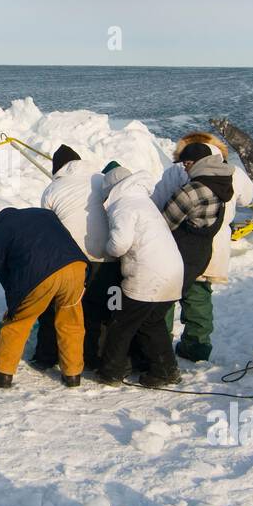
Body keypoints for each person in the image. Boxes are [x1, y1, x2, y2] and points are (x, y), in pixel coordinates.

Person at [153, 137, 246, 362]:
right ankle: (198, 345)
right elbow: (248, 196)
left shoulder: (182, 179)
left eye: (187, 162)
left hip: (184, 245)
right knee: (199, 297)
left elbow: (161, 210)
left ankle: (161, 343)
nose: (185, 166)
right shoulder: (230, 176)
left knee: (166, 296)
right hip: (214, 244)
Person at [0, 200, 88, 388]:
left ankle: (2, 372)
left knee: (20, 321)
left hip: (41, 274)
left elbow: (5, 276)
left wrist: (15, 306)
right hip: (76, 265)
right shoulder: (42, 214)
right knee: (71, 322)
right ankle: (73, 374)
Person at [98, 164, 185, 386]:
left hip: (149, 275)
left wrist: (106, 249)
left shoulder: (123, 205)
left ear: (111, 190)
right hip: (173, 272)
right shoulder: (144, 202)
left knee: (121, 323)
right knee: (152, 323)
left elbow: (120, 244)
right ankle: (165, 370)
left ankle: (111, 372)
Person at [35, 144, 119, 371]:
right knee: (102, 311)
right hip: (110, 258)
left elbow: (48, 230)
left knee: (61, 308)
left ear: (57, 169)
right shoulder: (101, 179)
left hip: (73, 261)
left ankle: (48, 355)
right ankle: (96, 357)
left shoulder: (52, 189)